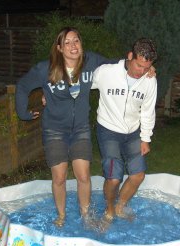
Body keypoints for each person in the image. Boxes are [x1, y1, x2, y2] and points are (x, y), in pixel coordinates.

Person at [15, 27, 116, 227]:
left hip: (80, 129)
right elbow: (23, 86)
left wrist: (142, 66)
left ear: (81, 44)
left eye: (76, 41)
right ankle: (61, 216)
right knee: (59, 178)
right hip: (54, 130)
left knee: (84, 175)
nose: (73, 46)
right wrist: (22, 113)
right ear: (59, 48)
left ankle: (86, 216)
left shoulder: (91, 62)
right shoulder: (46, 69)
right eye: (67, 43)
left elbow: (117, 66)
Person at [91, 38, 158, 225]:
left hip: (133, 132)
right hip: (108, 130)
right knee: (113, 178)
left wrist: (145, 138)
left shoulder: (149, 80)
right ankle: (110, 209)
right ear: (130, 56)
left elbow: (147, 111)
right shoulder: (106, 72)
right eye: (138, 65)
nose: (141, 72)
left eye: (147, 67)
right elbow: (81, 84)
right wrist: (55, 94)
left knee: (138, 175)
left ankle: (120, 205)